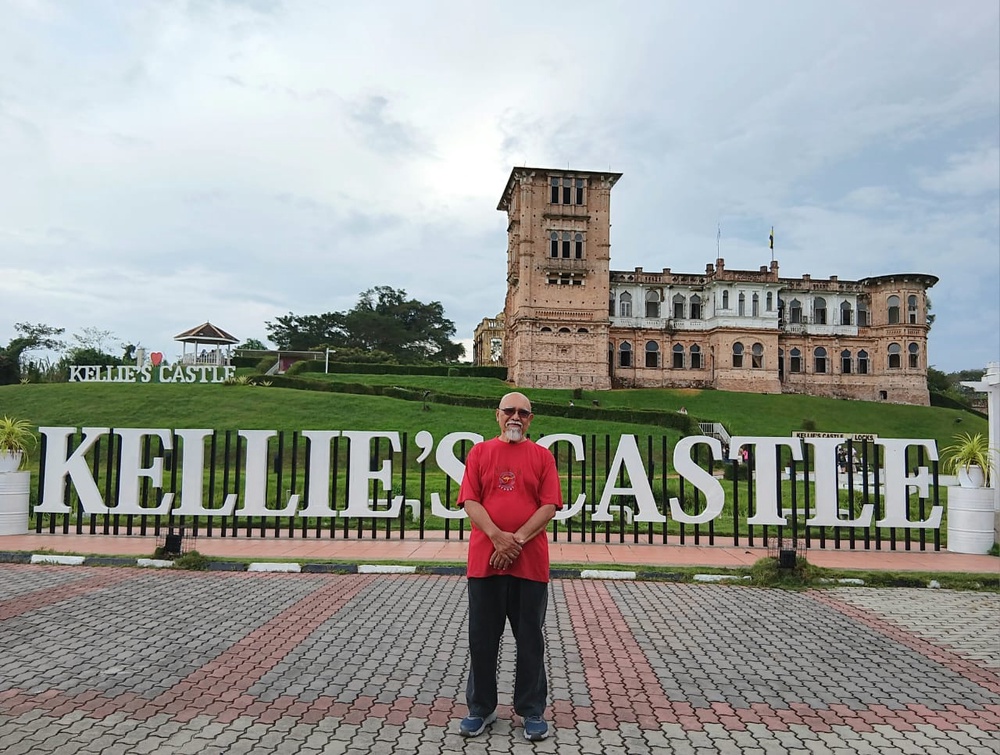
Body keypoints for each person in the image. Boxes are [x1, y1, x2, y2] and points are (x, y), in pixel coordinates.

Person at [456, 392, 563, 741]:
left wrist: (513, 542)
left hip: (529, 565)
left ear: (531, 419)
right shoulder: (480, 453)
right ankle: (481, 708)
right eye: (509, 411)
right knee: (482, 639)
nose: (515, 417)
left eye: (523, 412)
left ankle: (531, 710)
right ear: (497, 415)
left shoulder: (542, 457)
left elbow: (549, 507)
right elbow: (470, 500)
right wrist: (496, 537)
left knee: (530, 639)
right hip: (485, 563)